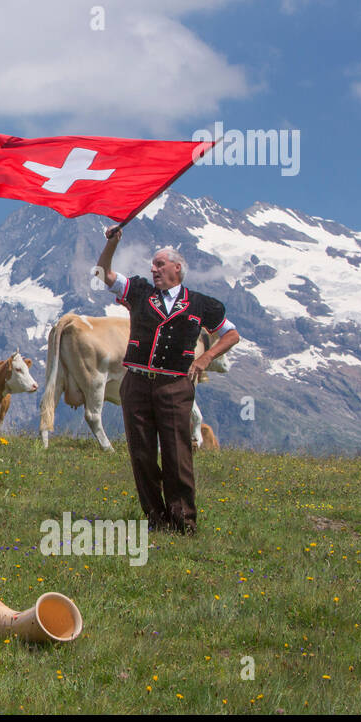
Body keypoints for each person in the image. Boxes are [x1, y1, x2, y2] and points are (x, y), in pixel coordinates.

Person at [96, 227, 240, 534]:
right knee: (142, 454)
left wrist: (205, 358)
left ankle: (183, 521)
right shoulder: (139, 292)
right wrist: (112, 243)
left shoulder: (201, 304)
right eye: (153, 265)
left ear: (178, 268)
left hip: (175, 386)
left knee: (178, 454)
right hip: (136, 383)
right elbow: (102, 273)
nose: (153, 269)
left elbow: (231, 334)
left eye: (160, 264)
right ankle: (155, 519)